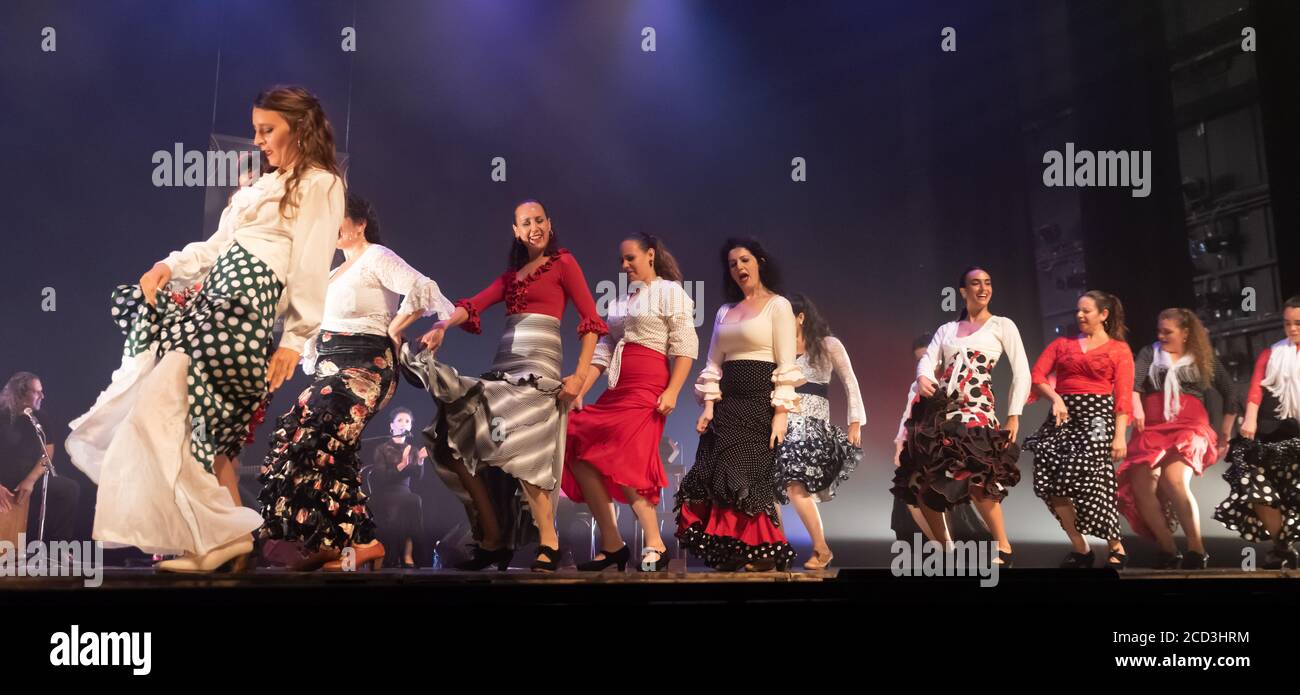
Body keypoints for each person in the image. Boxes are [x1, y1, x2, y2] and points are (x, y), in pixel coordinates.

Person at [65, 85, 346, 572]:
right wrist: (168, 266)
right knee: (166, 411)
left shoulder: (320, 183)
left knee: (169, 408)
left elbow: (312, 262)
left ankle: (220, 537)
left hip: (244, 308)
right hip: (213, 299)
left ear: (298, 128)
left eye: (267, 130)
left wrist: (296, 339)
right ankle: (217, 539)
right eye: (256, 130)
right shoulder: (260, 188)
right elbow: (216, 245)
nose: (258, 140)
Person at [403, 199, 607, 572]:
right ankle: (493, 537)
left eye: (540, 219)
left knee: (525, 450)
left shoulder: (563, 263)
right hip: (504, 371)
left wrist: (579, 376)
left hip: (540, 372)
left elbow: (592, 320)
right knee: (452, 437)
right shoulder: (511, 277)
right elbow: (473, 304)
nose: (535, 227)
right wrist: (441, 327)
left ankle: (549, 539)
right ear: (516, 231)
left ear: (549, 222)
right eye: (526, 222)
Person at [257, 192, 452, 570]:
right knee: (306, 439)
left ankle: (360, 541)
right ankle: (342, 543)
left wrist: (395, 327)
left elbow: (422, 287)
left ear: (359, 224)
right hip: (330, 368)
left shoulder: (376, 256)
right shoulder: (332, 273)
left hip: (366, 365)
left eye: (337, 218)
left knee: (325, 432)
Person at [564, 233, 698, 573]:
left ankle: (655, 544)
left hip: (649, 388)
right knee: (576, 443)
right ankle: (612, 544)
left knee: (628, 461)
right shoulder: (621, 301)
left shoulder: (670, 292)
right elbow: (605, 350)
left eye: (630, 258)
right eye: (621, 260)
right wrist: (581, 387)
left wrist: (672, 392)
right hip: (618, 389)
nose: (624, 265)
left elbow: (685, 346)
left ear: (650, 255)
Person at [675, 237, 803, 571]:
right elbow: (713, 363)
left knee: (745, 473)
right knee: (717, 476)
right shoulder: (724, 311)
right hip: (727, 405)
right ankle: (738, 550)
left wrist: (780, 415)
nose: (739, 268)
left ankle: (763, 550)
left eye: (744, 260)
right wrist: (708, 407)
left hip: (760, 402)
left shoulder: (778, 306)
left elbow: (786, 364)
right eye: (733, 264)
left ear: (759, 261)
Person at [1118, 308, 1236, 569]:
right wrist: (1136, 407)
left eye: (1167, 332)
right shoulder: (1150, 353)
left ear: (1185, 333)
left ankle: (1196, 549)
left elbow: (1230, 394)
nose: (1161, 335)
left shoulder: (1202, 358)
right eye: (1159, 330)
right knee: (1140, 486)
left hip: (1188, 425)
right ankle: (1168, 549)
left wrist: (1225, 436)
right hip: (1152, 425)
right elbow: (1134, 384)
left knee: (1174, 481)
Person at [773, 293, 863, 570]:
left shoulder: (828, 344)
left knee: (796, 484)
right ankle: (775, 549)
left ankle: (821, 548)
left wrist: (855, 420)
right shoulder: (779, 347)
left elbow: (850, 381)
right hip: (781, 419)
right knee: (770, 488)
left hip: (811, 421)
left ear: (800, 317)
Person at [1213, 295, 1300, 569]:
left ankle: (1283, 545)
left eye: (1298, 323)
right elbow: (1255, 390)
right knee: (1256, 485)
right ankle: (1282, 546)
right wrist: (1249, 419)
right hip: (1271, 432)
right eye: (1287, 324)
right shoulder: (1271, 352)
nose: (1292, 329)